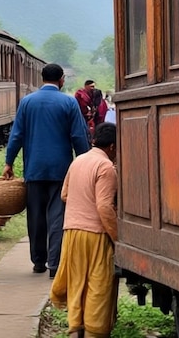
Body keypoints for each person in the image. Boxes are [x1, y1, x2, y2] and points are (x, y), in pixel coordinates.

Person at [3, 63, 91, 277]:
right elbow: (79, 137)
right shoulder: (69, 102)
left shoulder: (27, 103)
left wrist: (9, 162)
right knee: (57, 216)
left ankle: (38, 261)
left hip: (34, 169)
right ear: (61, 79)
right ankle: (55, 265)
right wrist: (85, 161)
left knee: (35, 216)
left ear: (42, 78)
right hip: (61, 170)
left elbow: (17, 136)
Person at [50, 122, 119, 338]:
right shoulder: (106, 167)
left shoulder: (78, 161)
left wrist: (81, 206)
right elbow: (104, 207)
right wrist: (118, 238)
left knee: (77, 283)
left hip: (71, 232)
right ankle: (94, 333)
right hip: (95, 235)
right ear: (113, 147)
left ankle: (74, 330)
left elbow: (64, 195)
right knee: (98, 286)